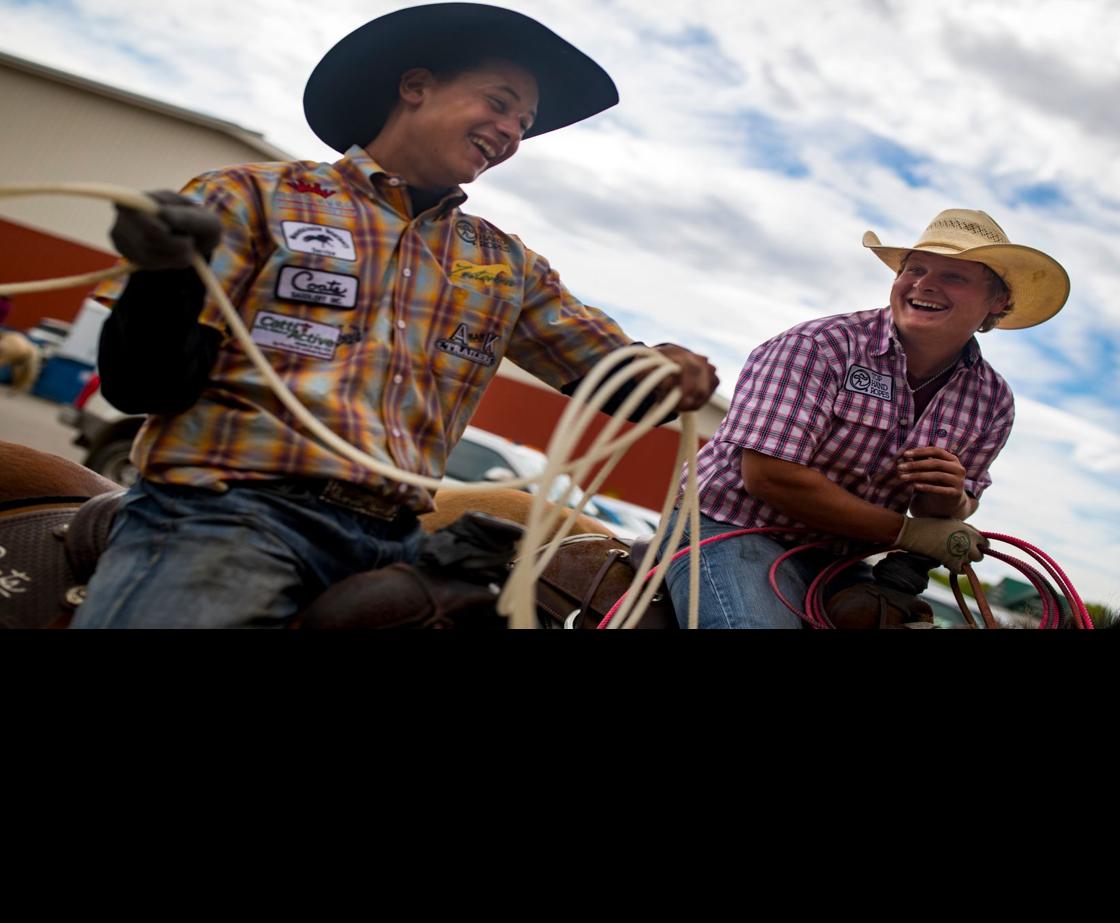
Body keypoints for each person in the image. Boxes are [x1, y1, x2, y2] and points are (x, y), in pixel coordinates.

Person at [73, 3, 717, 628]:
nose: (512, 132)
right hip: (227, 513)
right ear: (415, 86)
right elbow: (143, 388)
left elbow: (618, 376)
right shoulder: (247, 196)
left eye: (524, 121)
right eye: (499, 102)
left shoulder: (507, 264)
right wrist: (163, 278)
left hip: (396, 538)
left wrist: (668, 370)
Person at [661, 208, 1068, 628]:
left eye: (954, 276)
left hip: (838, 559)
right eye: (915, 269)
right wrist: (907, 533)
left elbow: (954, 506)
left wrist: (948, 499)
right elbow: (768, 475)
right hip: (729, 528)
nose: (924, 283)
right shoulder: (820, 346)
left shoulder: (992, 400)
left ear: (996, 302)